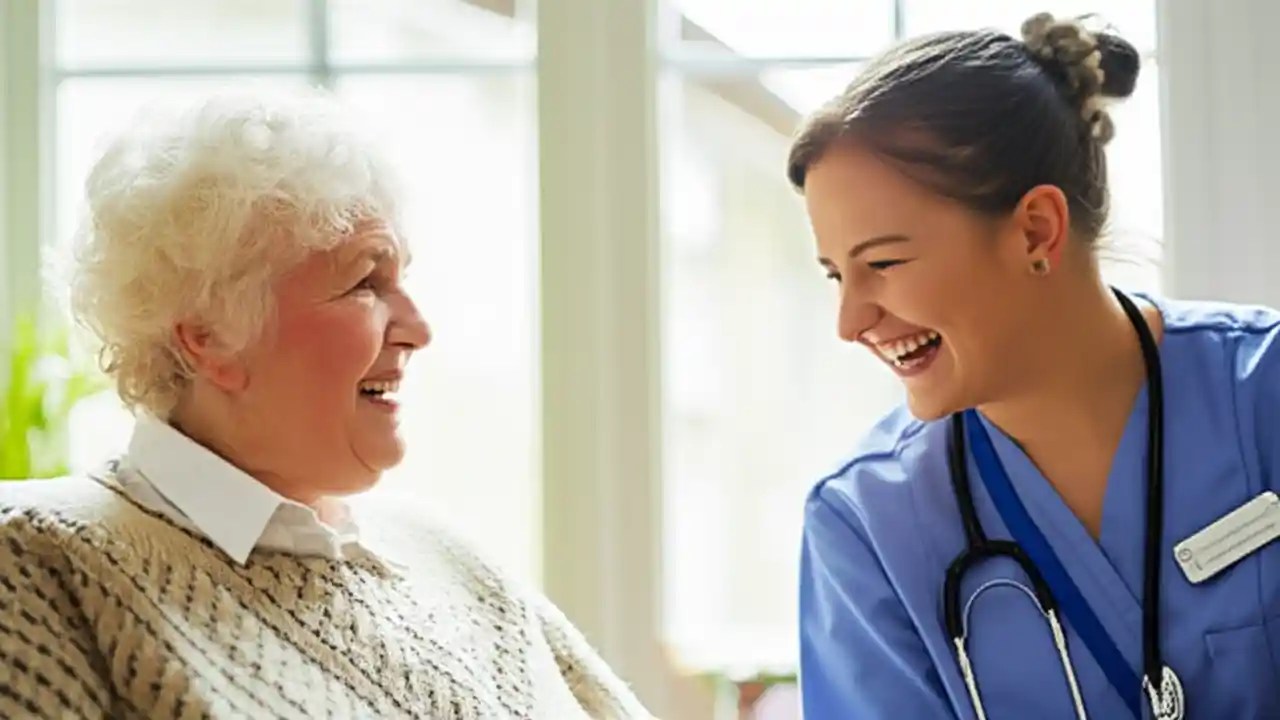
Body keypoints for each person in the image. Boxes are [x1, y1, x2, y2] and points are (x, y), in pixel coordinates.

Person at [0, 88, 652, 719]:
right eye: (366, 283)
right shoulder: (37, 555)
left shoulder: (446, 555)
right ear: (210, 338)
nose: (418, 328)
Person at [789, 11, 1280, 720]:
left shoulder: (1263, 396)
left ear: (1035, 230)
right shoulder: (868, 525)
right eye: (837, 275)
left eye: (885, 264)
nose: (851, 321)